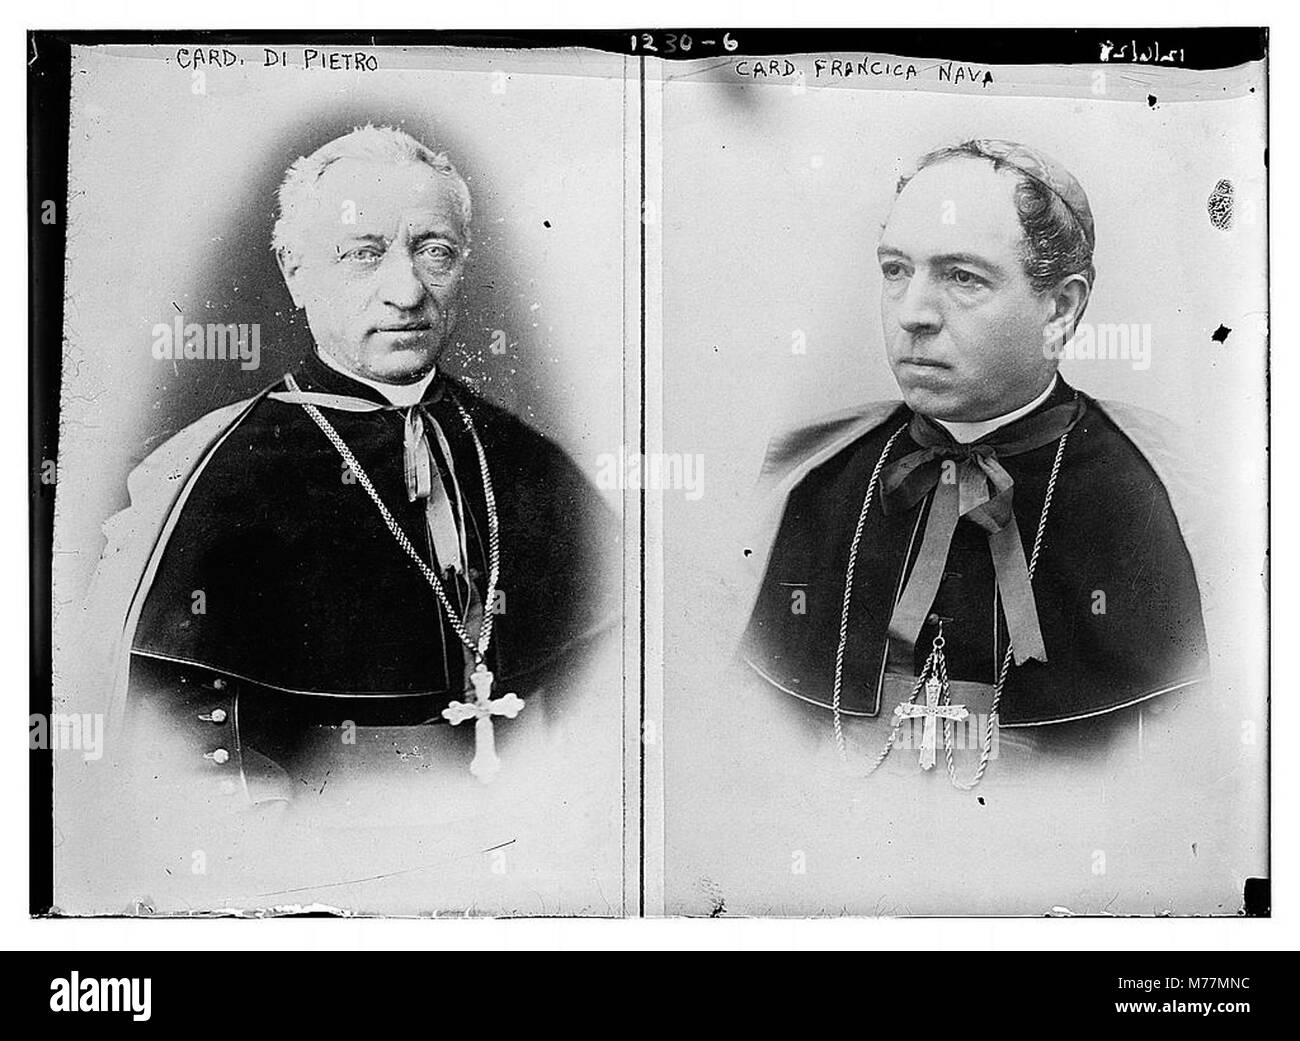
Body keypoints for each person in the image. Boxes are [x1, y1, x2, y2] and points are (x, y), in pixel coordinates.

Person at [85, 125, 620, 804]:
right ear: (294, 272)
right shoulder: (213, 477)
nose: (406, 291)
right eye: (363, 253)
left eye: (435, 251)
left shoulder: (528, 460)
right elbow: (182, 767)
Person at [741, 139, 1208, 787]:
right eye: (896, 269)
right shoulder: (824, 480)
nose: (913, 314)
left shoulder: (1139, 496)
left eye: (963, 276)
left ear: (1062, 308)